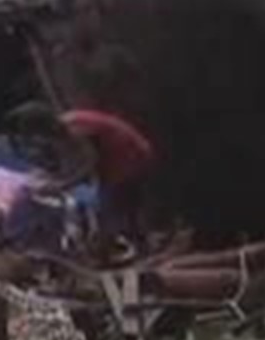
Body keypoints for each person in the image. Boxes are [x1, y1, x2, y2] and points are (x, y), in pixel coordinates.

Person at [9, 102, 155, 257]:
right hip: (120, 163)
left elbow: (88, 163)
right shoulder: (64, 131)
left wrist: (61, 185)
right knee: (117, 213)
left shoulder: (75, 130)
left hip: (127, 160)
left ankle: (142, 254)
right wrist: (50, 179)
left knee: (116, 213)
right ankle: (142, 249)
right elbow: (69, 165)